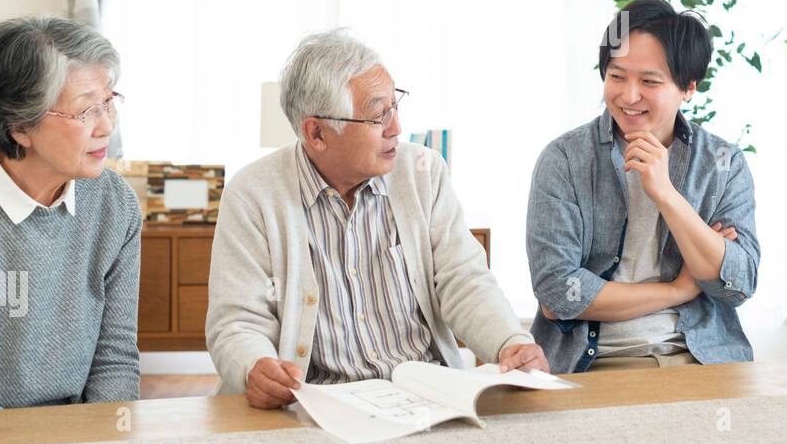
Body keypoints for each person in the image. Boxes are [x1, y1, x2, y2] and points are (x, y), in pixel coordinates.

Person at [207, 29, 545, 409]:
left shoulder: (423, 172)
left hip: (424, 397)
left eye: (395, 106)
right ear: (316, 133)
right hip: (316, 404)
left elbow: (463, 279)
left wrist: (510, 341)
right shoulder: (252, 194)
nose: (396, 128)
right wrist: (254, 365)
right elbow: (236, 322)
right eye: (377, 115)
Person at [526, 0, 759, 373]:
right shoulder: (566, 159)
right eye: (617, 76)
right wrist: (678, 290)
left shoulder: (722, 163)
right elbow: (557, 291)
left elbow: (737, 284)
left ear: (688, 88)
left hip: (699, 360)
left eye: (649, 81)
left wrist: (666, 194)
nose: (628, 96)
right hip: (594, 364)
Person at [0, 16, 140, 411]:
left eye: (109, 102)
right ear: (20, 126)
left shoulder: (115, 204)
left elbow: (115, 361)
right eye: (86, 111)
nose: (107, 126)